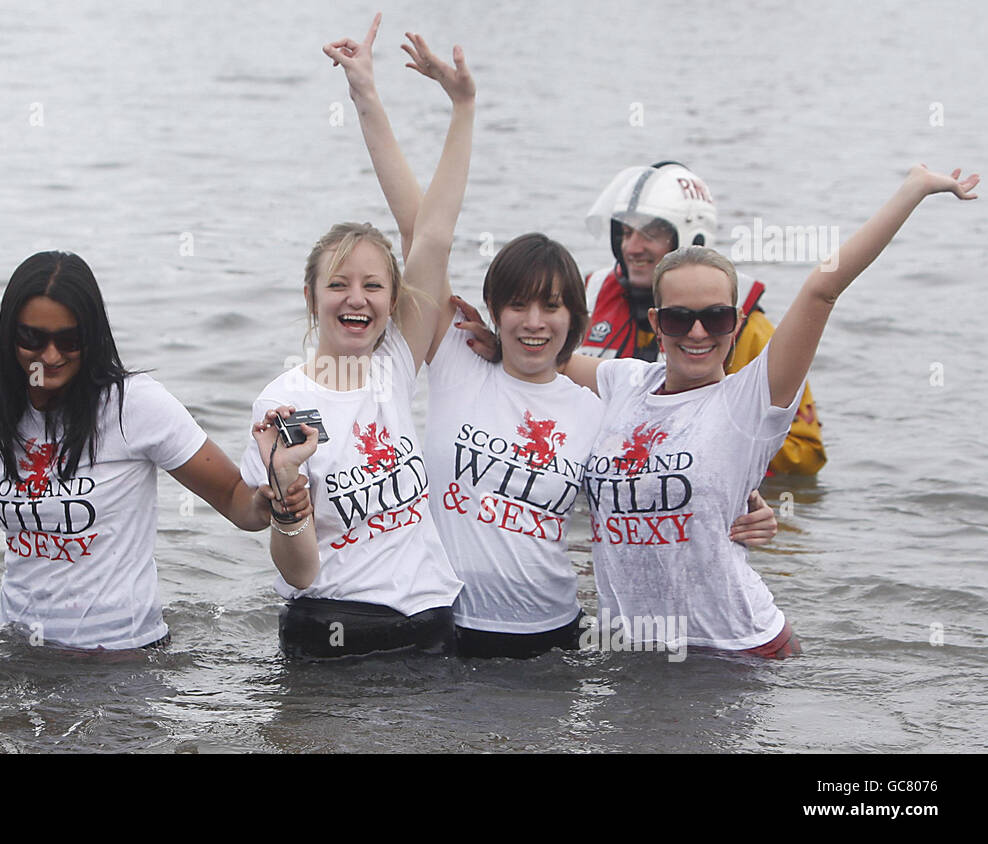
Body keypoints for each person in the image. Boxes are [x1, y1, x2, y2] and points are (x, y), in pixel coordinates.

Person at [324, 16, 776, 660]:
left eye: (553, 307)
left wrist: (744, 504)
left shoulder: (602, 407)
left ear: (575, 319)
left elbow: (666, 484)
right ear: (492, 311)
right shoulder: (456, 357)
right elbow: (425, 232)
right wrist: (387, 95)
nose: (534, 322)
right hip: (448, 627)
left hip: (553, 643)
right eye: (517, 306)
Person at [468, 164, 976, 658]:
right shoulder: (624, 382)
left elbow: (824, 288)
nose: (696, 332)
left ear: (735, 322)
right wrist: (476, 335)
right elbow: (541, 354)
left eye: (715, 318)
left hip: (735, 651)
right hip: (634, 653)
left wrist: (913, 190)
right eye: (678, 318)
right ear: (656, 321)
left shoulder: (749, 401)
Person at [0, 251, 310, 653]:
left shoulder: (135, 405)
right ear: (9, 334)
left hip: (124, 655)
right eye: (32, 338)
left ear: (92, 338)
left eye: (69, 341)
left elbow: (236, 502)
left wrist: (274, 497)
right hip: (20, 653)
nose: (49, 356)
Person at [239, 28, 474, 659]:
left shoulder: (395, 362)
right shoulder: (287, 404)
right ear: (311, 296)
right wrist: (288, 496)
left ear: (392, 301)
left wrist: (453, 107)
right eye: (338, 284)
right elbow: (298, 572)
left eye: (374, 285)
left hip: (429, 629)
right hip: (333, 639)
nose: (357, 298)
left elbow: (431, 236)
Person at [581, 162, 827, 476]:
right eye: (626, 233)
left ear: (690, 237)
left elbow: (806, 453)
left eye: (650, 233)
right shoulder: (590, 300)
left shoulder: (748, 329)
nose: (632, 247)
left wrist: (718, 446)